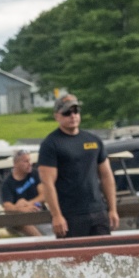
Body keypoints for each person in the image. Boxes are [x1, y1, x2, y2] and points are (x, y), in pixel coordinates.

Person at [36, 96, 120, 237]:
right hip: (70, 215)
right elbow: (47, 183)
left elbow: (106, 176)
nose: (72, 115)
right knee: (74, 252)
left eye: (76, 111)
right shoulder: (50, 144)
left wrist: (112, 209)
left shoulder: (94, 140)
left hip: (98, 211)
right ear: (57, 116)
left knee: (104, 250)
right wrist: (56, 215)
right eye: (67, 113)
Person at [0, 148, 49, 235]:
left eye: (30, 160)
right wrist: (21, 209)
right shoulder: (7, 184)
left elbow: (44, 195)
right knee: (21, 221)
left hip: (38, 210)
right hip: (20, 218)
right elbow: (7, 207)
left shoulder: (34, 173)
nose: (30, 163)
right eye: (26, 161)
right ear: (16, 164)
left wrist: (28, 204)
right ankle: (39, 240)